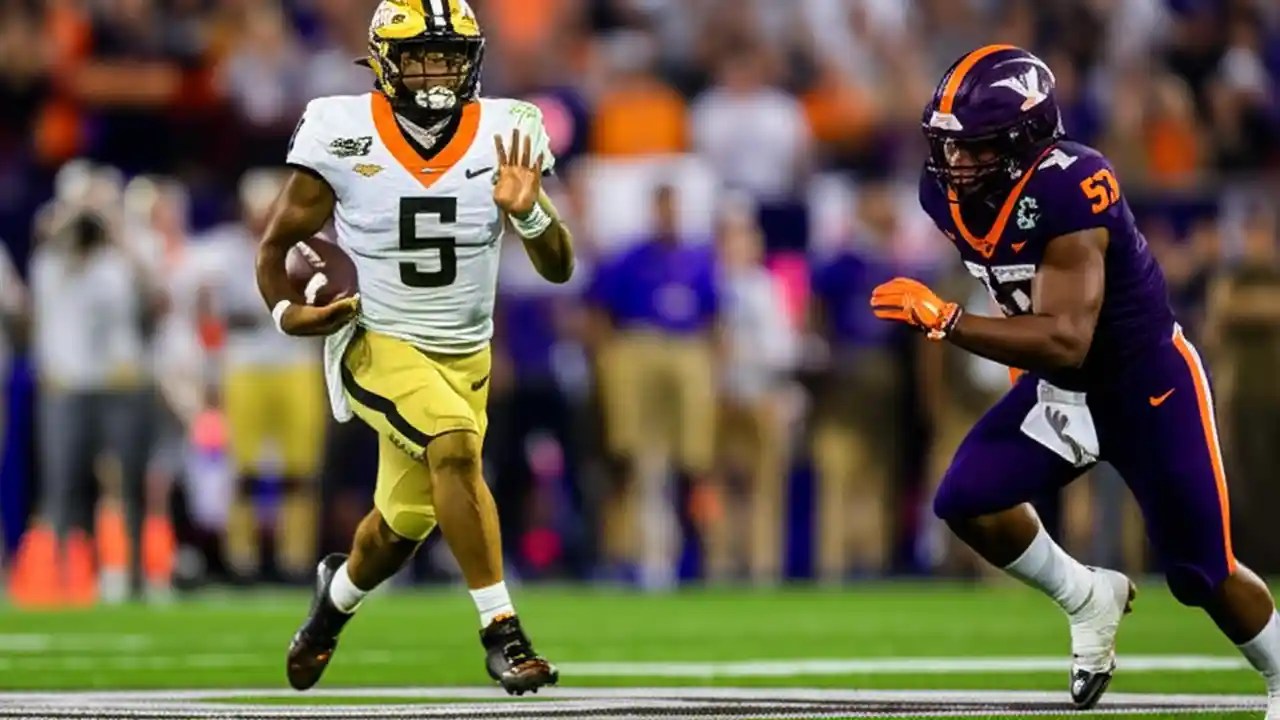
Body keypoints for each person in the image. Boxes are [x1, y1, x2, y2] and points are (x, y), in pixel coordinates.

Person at [869, 46, 1280, 716]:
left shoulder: (1072, 181)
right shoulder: (940, 193)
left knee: (1201, 572)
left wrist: (947, 321)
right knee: (968, 499)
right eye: (947, 146)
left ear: (1023, 141)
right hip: (1060, 387)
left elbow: (1066, 335)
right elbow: (1017, 296)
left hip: (1145, 387)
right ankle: (1088, 596)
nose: (954, 164)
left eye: (974, 148)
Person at [256, 0, 572, 696]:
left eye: (450, 55)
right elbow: (277, 246)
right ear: (384, 61)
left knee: (399, 528)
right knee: (454, 446)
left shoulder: (509, 128)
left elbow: (558, 265)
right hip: (377, 338)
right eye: (423, 54)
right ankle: (503, 634)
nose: (437, 70)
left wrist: (530, 210)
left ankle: (330, 606)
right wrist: (286, 312)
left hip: (467, 355)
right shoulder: (340, 130)